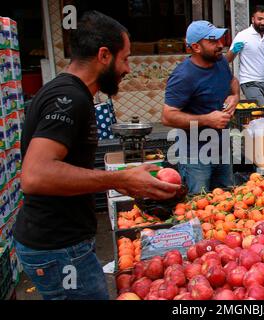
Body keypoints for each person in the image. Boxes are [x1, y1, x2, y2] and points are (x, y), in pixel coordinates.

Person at [12, 11, 180, 300]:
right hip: (59, 249)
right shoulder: (69, 99)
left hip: (61, 244)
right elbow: (35, 175)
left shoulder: (67, 92)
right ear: (104, 55)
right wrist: (117, 178)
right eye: (124, 58)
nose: (127, 69)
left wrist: (119, 180)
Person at [162, 20, 240, 195]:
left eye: (220, 39)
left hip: (222, 149)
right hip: (195, 156)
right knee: (198, 205)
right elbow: (167, 116)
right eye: (213, 41)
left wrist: (235, 96)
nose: (220, 45)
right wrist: (207, 119)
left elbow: (232, 81)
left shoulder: (220, 62)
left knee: (226, 203)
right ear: (196, 47)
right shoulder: (183, 76)